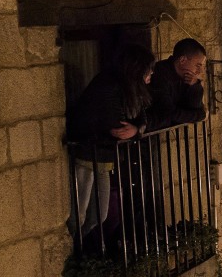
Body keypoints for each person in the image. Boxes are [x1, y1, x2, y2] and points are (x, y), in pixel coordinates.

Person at [66, 43, 156, 241]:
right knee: (78, 215)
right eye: (148, 69)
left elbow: (142, 118)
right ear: (137, 69)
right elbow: (116, 128)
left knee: (99, 215)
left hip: (104, 158)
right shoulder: (109, 86)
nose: (151, 74)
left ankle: (80, 248)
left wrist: (137, 129)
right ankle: (72, 252)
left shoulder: (131, 90)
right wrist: (134, 129)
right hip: (87, 153)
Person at [148, 37, 207, 129]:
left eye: (202, 66)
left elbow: (194, 107)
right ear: (182, 60)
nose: (200, 71)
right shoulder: (159, 74)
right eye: (197, 65)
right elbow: (169, 113)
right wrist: (201, 115)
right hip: (147, 131)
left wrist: (195, 86)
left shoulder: (188, 78)